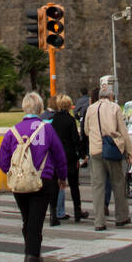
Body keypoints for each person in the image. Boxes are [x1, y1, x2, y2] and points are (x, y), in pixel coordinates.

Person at [0, 91, 68, 262]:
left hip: (19, 185)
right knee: (34, 226)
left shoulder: (13, 131)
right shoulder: (47, 128)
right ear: (39, 109)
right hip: (42, 182)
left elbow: (3, 161)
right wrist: (62, 177)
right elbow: (59, 155)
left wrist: (14, 173)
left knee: (28, 222)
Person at [85, 82, 132, 231]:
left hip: (96, 150)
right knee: (118, 182)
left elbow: (86, 130)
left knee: (97, 186)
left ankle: (99, 221)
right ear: (111, 96)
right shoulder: (115, 108)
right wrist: (129, 152)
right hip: (111, 149)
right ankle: (121, 217)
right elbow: (123, 131)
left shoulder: (90, 109)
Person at [49, 94, 85, 224]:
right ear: (69, 106)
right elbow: (76, 139)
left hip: (56, 156)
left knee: (56, 184)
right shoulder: (70, 121)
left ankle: (53, 213)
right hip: (69, 155)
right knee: (74, 185)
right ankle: (77, 211)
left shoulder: (53, 120)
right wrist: (81, 155)